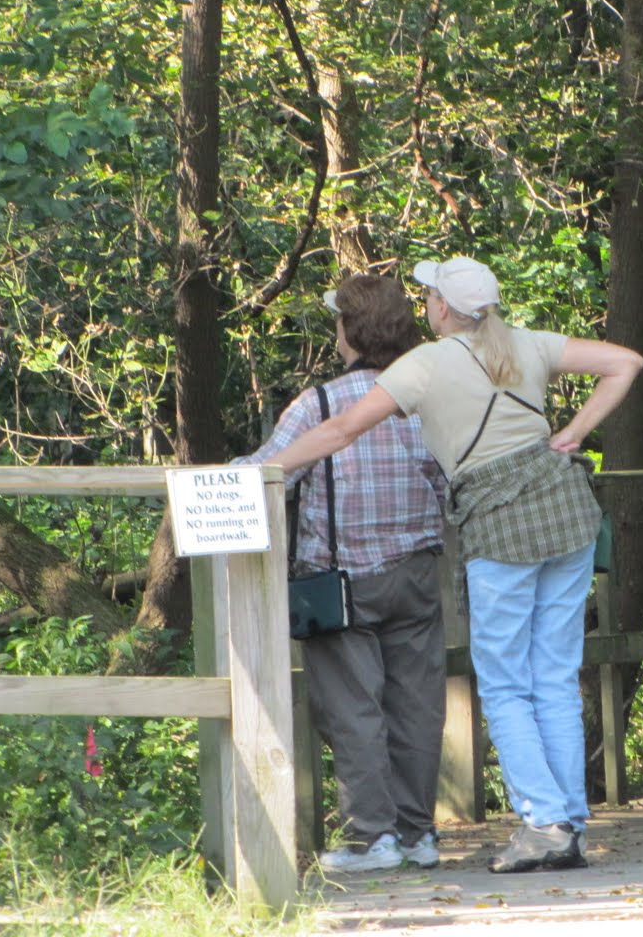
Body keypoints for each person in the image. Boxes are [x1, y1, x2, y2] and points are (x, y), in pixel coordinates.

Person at [265, 254, 643, 874]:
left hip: (502, 525)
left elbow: (338, 434)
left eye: (431, 296)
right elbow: (626, 362)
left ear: (442, 308)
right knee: (552, 674)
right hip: (568, 511)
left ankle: (544, 823)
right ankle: (568, 819)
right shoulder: (528, 345)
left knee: (504, 684)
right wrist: (574, 431)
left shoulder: (425, 366)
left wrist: (258, 473)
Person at [235, 274, 449, 875]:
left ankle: (372, 838)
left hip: (341, 582)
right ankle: (418, 834)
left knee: (354, 708)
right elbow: (447, 482)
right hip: (415, 572)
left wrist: (216, 477)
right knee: (418, 705)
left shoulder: (320, 405)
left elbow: (268, 474)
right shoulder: (424, 400)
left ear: (350, 330)